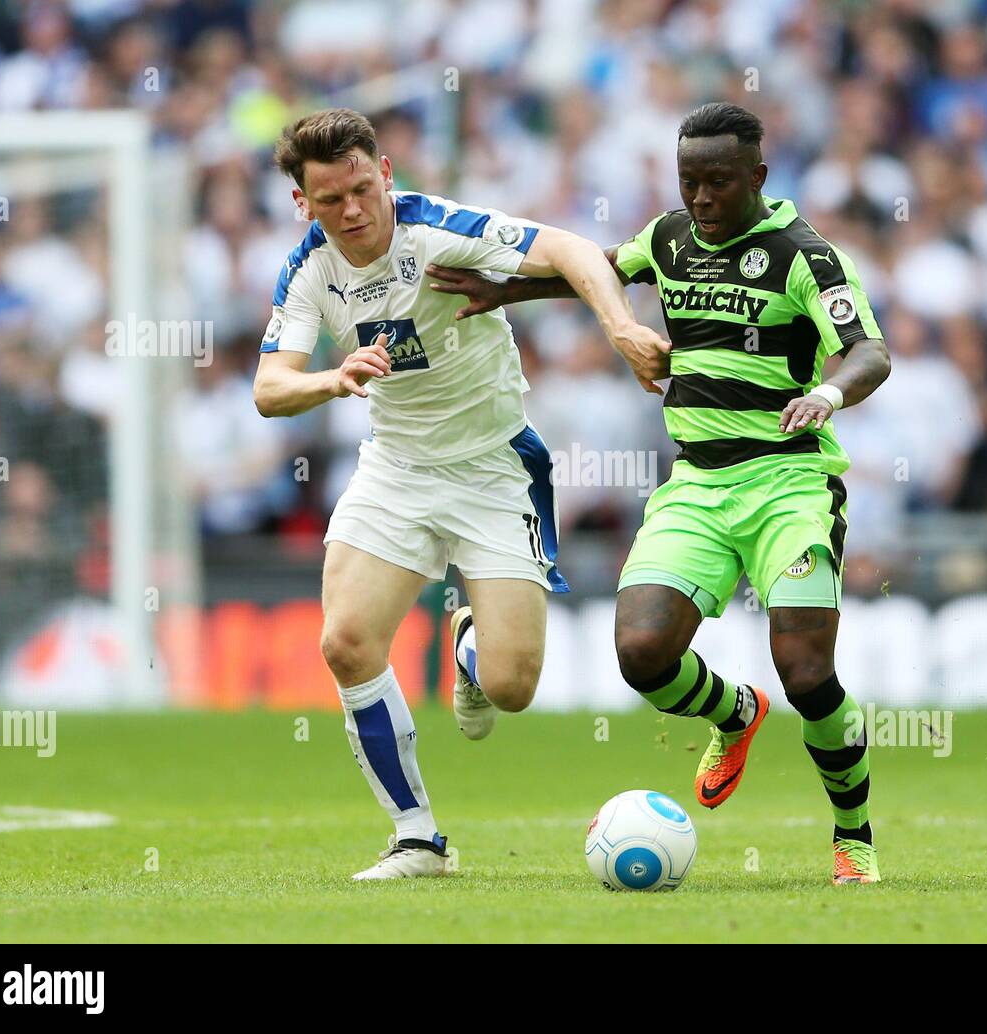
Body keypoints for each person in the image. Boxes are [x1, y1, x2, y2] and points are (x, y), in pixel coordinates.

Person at [429, 103, 892, 885]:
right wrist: (502, 291)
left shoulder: (804, 257)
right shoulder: (670, 238)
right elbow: (597, 271)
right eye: (689, 181)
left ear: (758, 176)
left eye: (718, 182)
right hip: (698, 484)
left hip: (789, 484)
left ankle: (854, 837)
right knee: (642, 655)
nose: (701, 197)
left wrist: (830, 393)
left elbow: (870, 351)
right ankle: (734, 713)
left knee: (808, 674)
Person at [253, 108, 669, 881]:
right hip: (397, 469)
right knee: (345, 642)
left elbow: (572, 249)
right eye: (330, 199)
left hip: (492, 467)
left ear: (384, 173)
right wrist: (332, 379)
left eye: (361, 189)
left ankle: (471, 648)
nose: (352, 210)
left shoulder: (437, 229)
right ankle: (417, 838)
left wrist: (619, 328)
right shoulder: (309, 269)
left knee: (512, 687)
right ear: (303, 202)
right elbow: (269, 389)